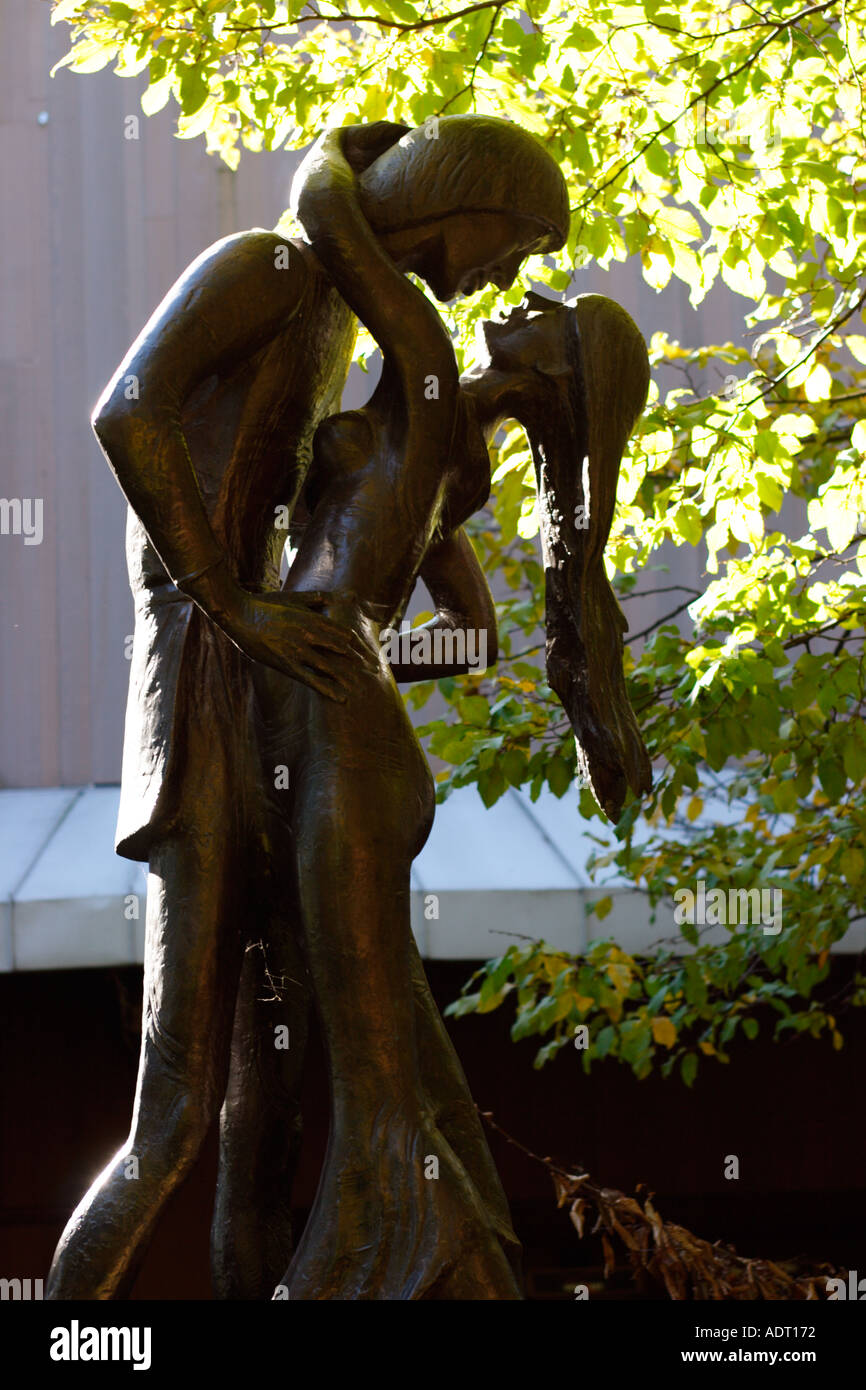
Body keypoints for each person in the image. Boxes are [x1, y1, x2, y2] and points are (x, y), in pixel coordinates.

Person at [45, 115, 570, 1301]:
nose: (505, 276)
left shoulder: (339, 305)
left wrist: (354, 646)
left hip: (274, 694)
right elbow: (128, 412)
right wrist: (231, 598)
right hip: (201, 689)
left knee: (264, 1120)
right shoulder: (268, 266)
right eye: (512, 244)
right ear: (461, 200)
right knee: (174, 1116)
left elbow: (407, 567)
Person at [254, 285, 651, 1299]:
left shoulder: (435, 408)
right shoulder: (453, 453)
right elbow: (470, 635)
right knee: (380, 1060)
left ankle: (415, 1261)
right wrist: (356, 642)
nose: (531, 289)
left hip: (348, 757)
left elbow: (339, 229)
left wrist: (336, 643)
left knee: (372, 1080)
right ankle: (473, 1259)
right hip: (345, 746)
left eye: (554, 304)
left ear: (555, 365)